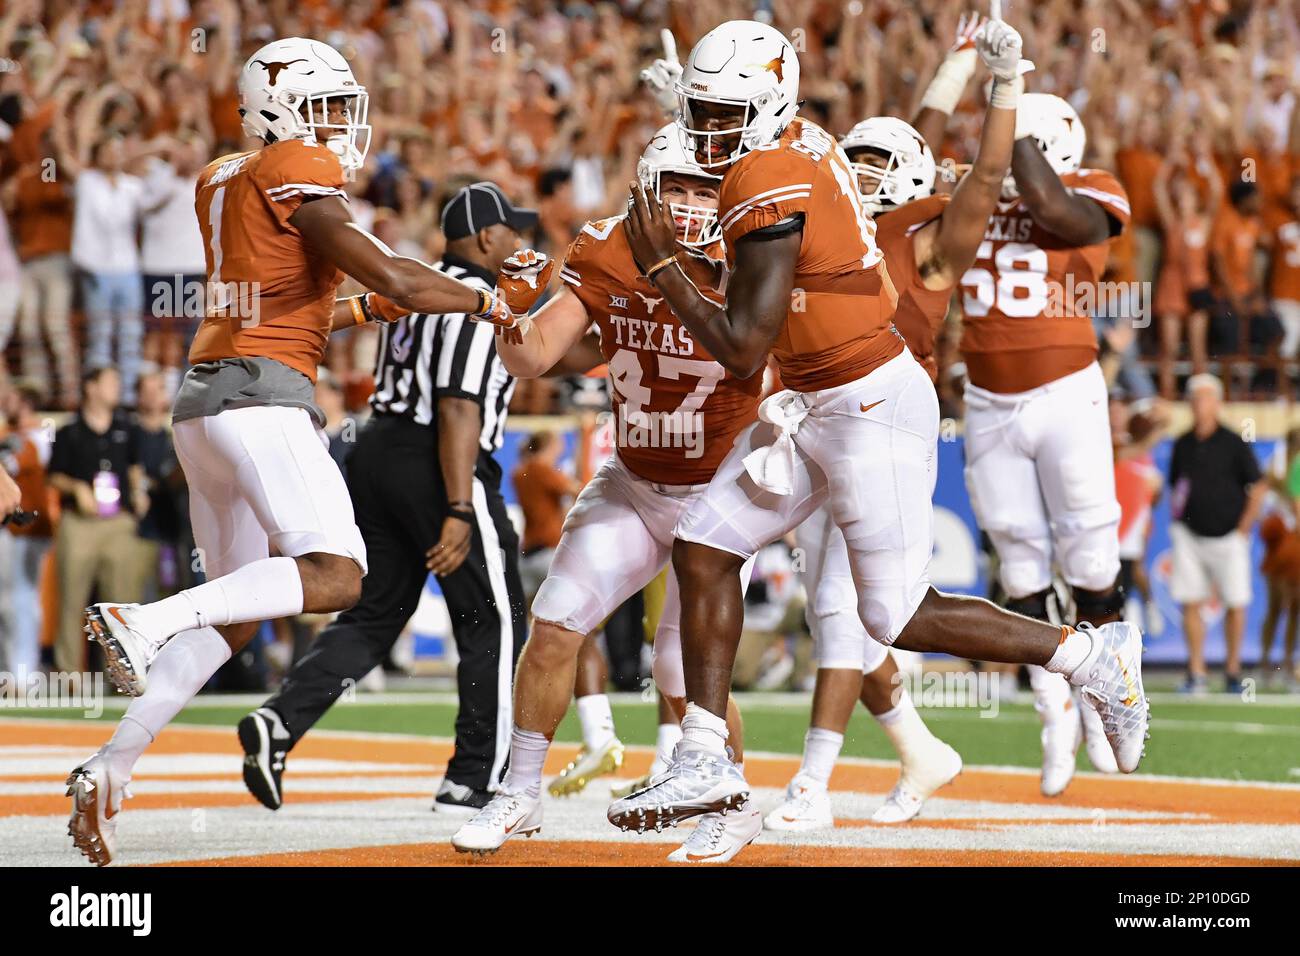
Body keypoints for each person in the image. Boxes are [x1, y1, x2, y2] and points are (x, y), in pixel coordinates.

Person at [611, 18, 1148, 833]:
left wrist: (661, 267)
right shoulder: (798, 142)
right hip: (815, 405)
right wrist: (680, 130)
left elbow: (742, 346)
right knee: (705, 546)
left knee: (894, 618)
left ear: (767, 106)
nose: (708, 132)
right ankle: (704, 756)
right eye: (702, 112)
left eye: (723, 115)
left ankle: (1089, 655)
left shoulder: (803, 187)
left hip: (868, 405)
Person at [65, 37, 512, 867]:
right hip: (260, 401)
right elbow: (405, 277)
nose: (340, 125)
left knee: (233, 618)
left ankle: (109, 763)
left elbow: (283, 304)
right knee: (341, 575)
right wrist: (483, 301)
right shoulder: (292, 167)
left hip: (205, 402)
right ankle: (146, 619)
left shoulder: (222, 176)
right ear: (283, 111)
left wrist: (367, 312)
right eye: (327, 108)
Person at [452, 126, 764, 863]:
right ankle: (520, 792)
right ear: (647, 189)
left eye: (703, 189)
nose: (689, 206)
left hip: (716, 493)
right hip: (632, 477)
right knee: (556, 624)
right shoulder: (607, 247)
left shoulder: (757, 260)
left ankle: (734, 799)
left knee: (681, 672)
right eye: (676, 188)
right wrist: (507, 307)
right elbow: (532, 355)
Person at [766, 23, 1025, 828]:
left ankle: (811, 782)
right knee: (837, 613)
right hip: (809, 418)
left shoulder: (927, 240)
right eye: (860, 161)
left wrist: (1003, 81)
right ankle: (919, 749)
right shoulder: (836, 221)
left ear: (909, 177)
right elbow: (921, 127)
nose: (867, 173)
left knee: (848, 607)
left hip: (882, 422)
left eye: (883, 165)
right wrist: (954, 59)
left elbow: (978, 169)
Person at [239, 181, 535, 817]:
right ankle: (474, 778)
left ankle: (281, 720)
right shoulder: (476, 299)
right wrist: (458, 506)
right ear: (487, 238)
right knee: (496, 619)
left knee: (375, 612)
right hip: (439, 458)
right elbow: (458, 405)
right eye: (512, 230)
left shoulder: (420, 281)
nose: (519, 241)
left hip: (378, 451)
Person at [46, 367, 149, 676]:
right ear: (90, 387)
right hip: (79, 524)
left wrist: (139, 492)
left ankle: (120, 672)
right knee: (71, 600)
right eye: (110, 382)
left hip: (118, 522)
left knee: (121, 602)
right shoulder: (69, 431)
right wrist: (77, 487)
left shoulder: (127, 428)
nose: (117, 388)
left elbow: (134, 467)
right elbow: (54, 476)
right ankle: (69, 674)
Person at [1168, 373, 1264, 695]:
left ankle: (1233, 670)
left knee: (1236, 602)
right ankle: (1197, 671)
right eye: (1195, 399)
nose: (1199, 405)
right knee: (1190, 601)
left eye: (1206, 398)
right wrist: (1177, 520)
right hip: (1191, 534)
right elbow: (1177, 487)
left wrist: (1243, 528)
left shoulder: (1233, 442)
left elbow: (1258, 486)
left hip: (1228, 535)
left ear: (1217, 402)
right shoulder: (1183, 443)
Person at [0, 381, 54, 679]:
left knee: (20, 599)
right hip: (14, 529)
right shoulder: (15, 434)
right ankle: (12, 669)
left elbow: (13, 461)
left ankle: (23, 671)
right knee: (11, 600)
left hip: (26, 528)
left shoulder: (37, 435)